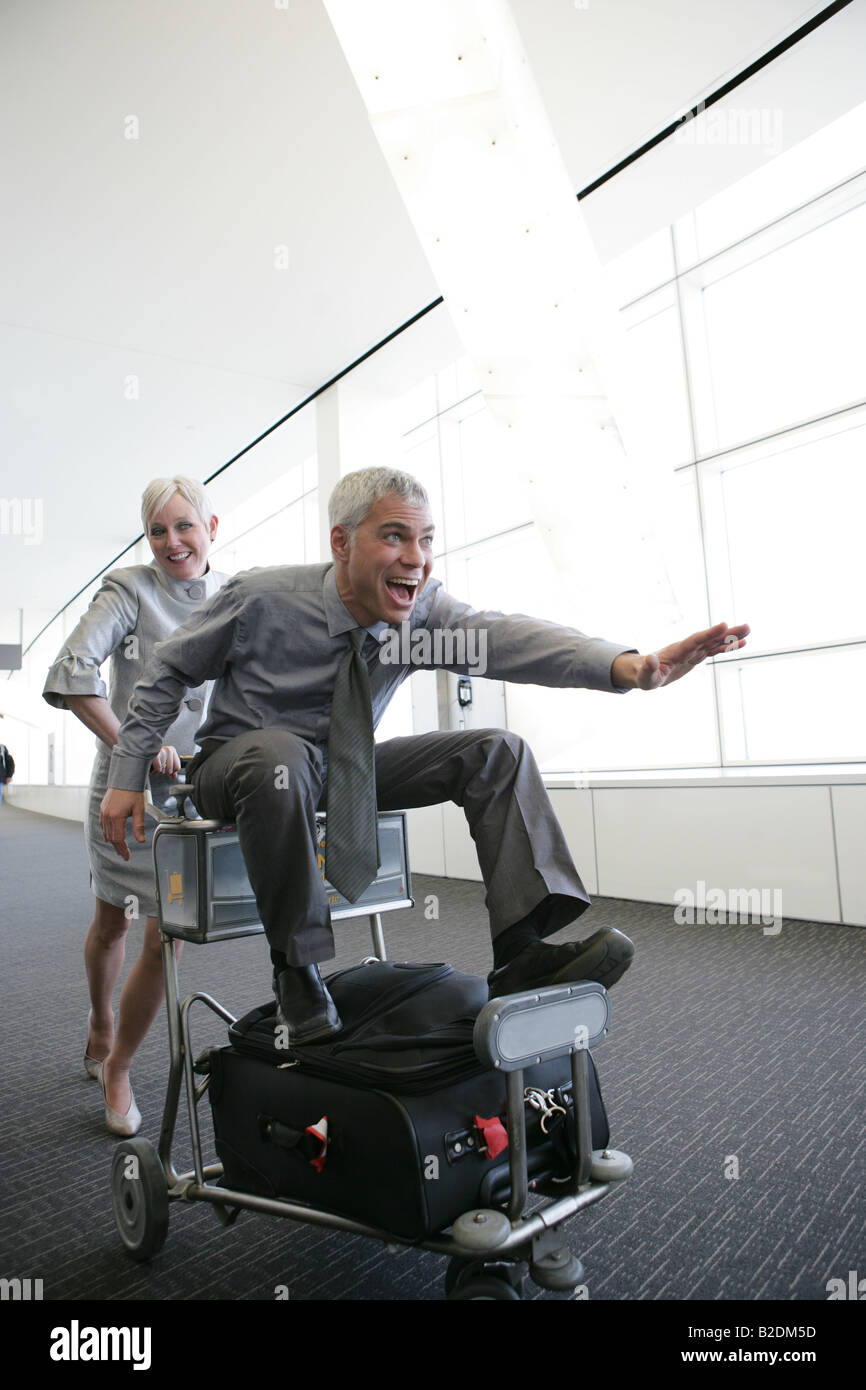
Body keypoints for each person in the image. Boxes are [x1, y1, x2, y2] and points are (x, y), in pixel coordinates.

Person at [99, 467, 748, 1044]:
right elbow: (166, 671)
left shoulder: (420, 615)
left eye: (427, 540)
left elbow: (507, 639)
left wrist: (627, 666)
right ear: (341, 543)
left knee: (496, 751)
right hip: (237, 768)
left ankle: (519, 952)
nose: (417, 559)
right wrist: (127, 777)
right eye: (395, 537)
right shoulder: (264, 599)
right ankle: (298, 974)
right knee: (281, 756)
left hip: (340, 767)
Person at [43, 477, 227, 1136]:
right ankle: (101, 1023)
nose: (172, 542)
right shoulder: (129, 590)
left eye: (184, 526)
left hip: (196, 792)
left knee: (168, 935)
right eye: (157, 530)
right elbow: (72, 674)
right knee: (116, 922)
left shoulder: (234, 597)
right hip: (127, 789)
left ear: (212, 525)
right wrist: (139, 746)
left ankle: (119, 1066)